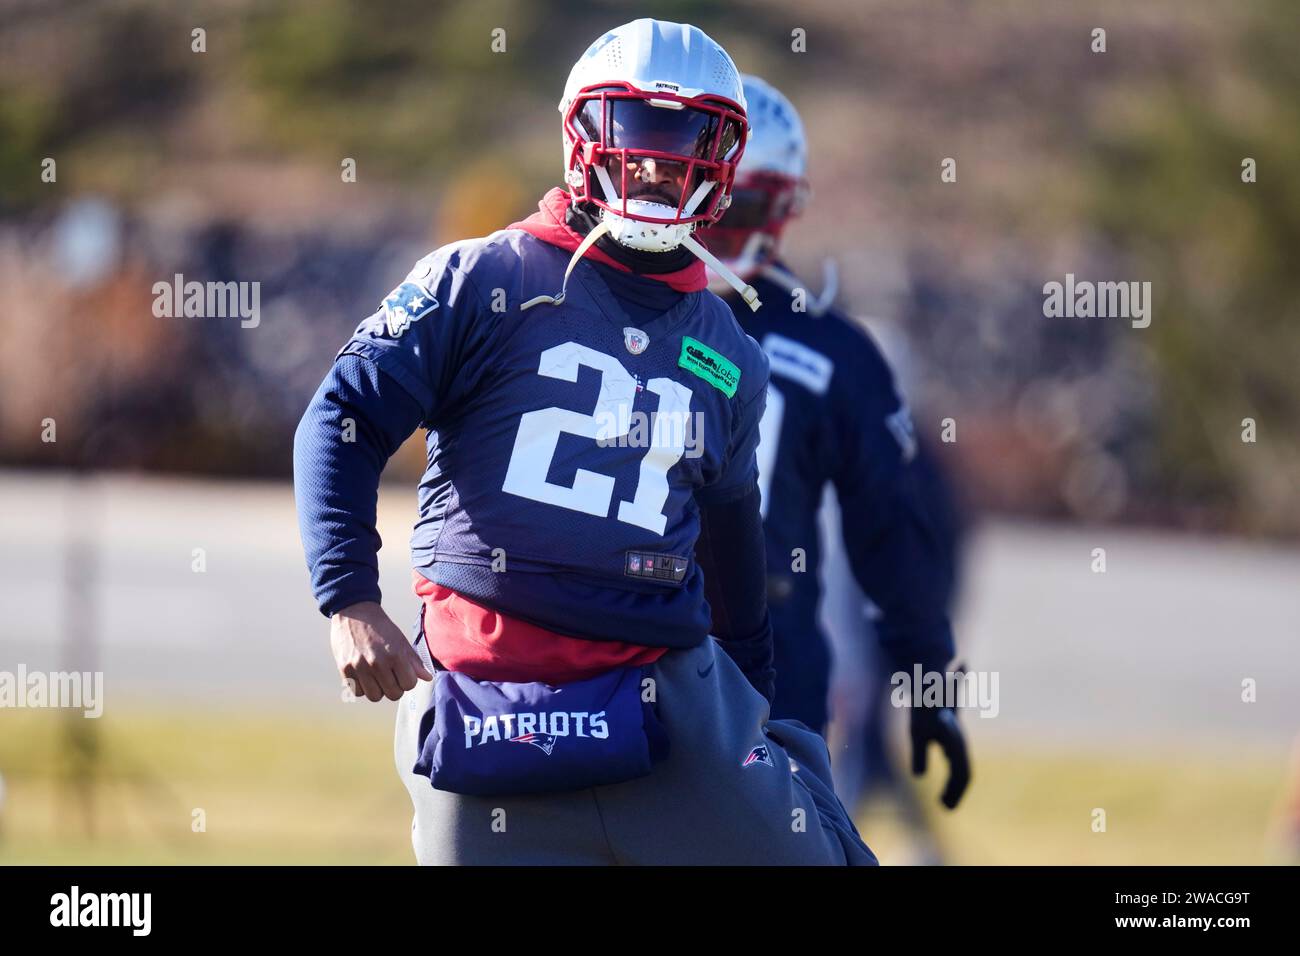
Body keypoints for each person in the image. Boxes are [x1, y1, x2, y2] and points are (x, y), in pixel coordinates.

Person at [293, 19, 874, 865]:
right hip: (488, 697)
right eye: (638, 134)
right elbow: (341, 414)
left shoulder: (729, 350)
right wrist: (345, 597)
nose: (659, 164)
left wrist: (761, 719)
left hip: (668, 702)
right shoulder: (482, 278)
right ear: (584, 135)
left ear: (722, 159)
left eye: (688, 142)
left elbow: (732, 556)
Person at [696, 75, 971, 809]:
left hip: (635, 648)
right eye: (713, 200)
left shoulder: (606, 306)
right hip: (766, 664)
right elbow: (897, 539)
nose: (719, 227)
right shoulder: (835, 352)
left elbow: (893, 533)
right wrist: (929, 677)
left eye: (735, 203)